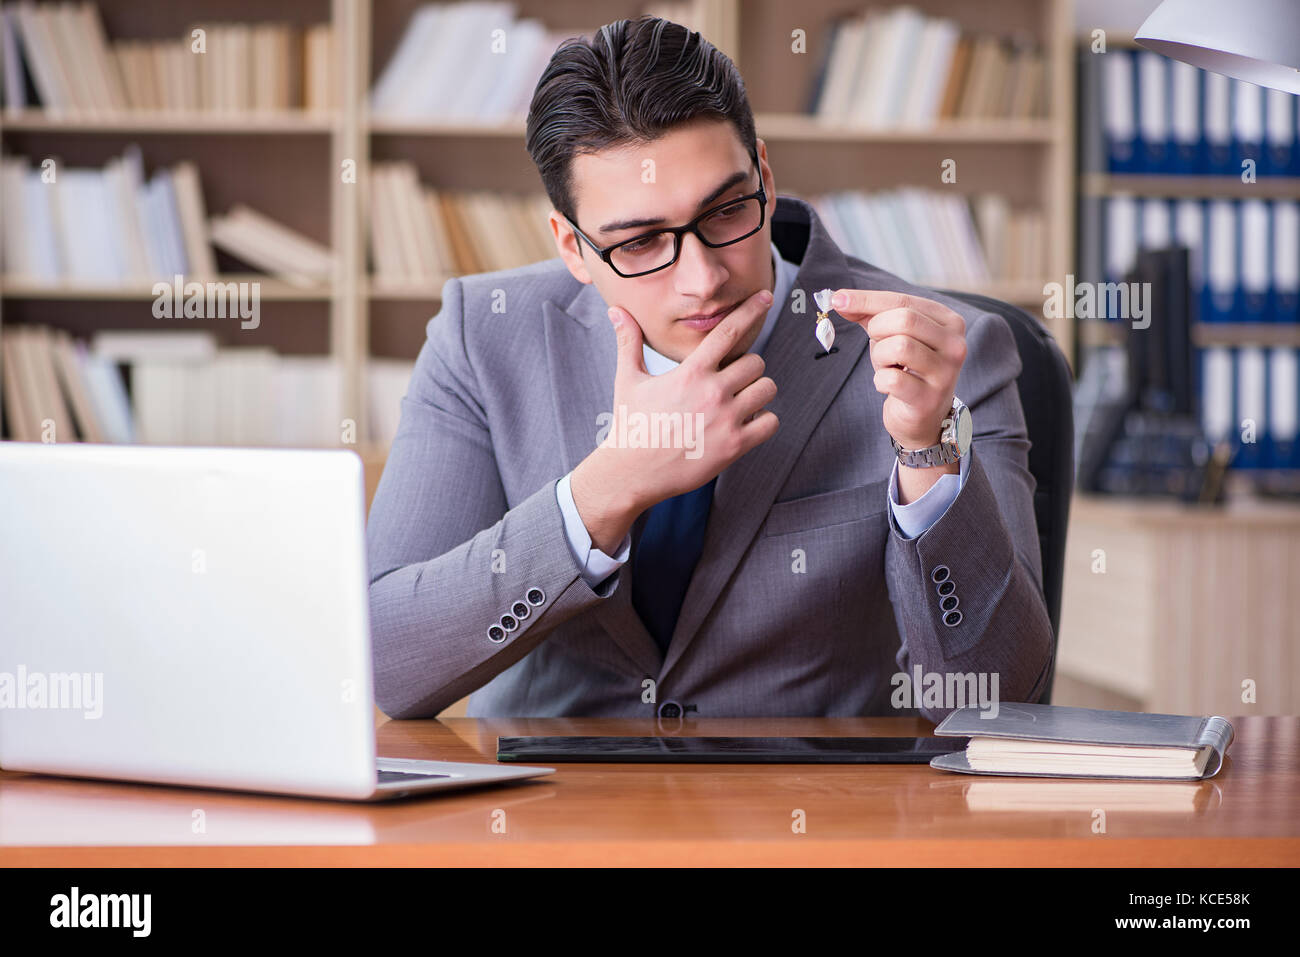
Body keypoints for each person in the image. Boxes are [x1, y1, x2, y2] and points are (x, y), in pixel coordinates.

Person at [366, 16, 1054, 721]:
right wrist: (608, 488)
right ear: (572, 247)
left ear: (764, 173)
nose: (701, 278)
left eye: (726, 211)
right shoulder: (481, 337)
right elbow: (388, 663)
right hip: (549, 814)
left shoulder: (943, 356)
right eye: (639, 242)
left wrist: (927, 450)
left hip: (815, 817)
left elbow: (998, 701)